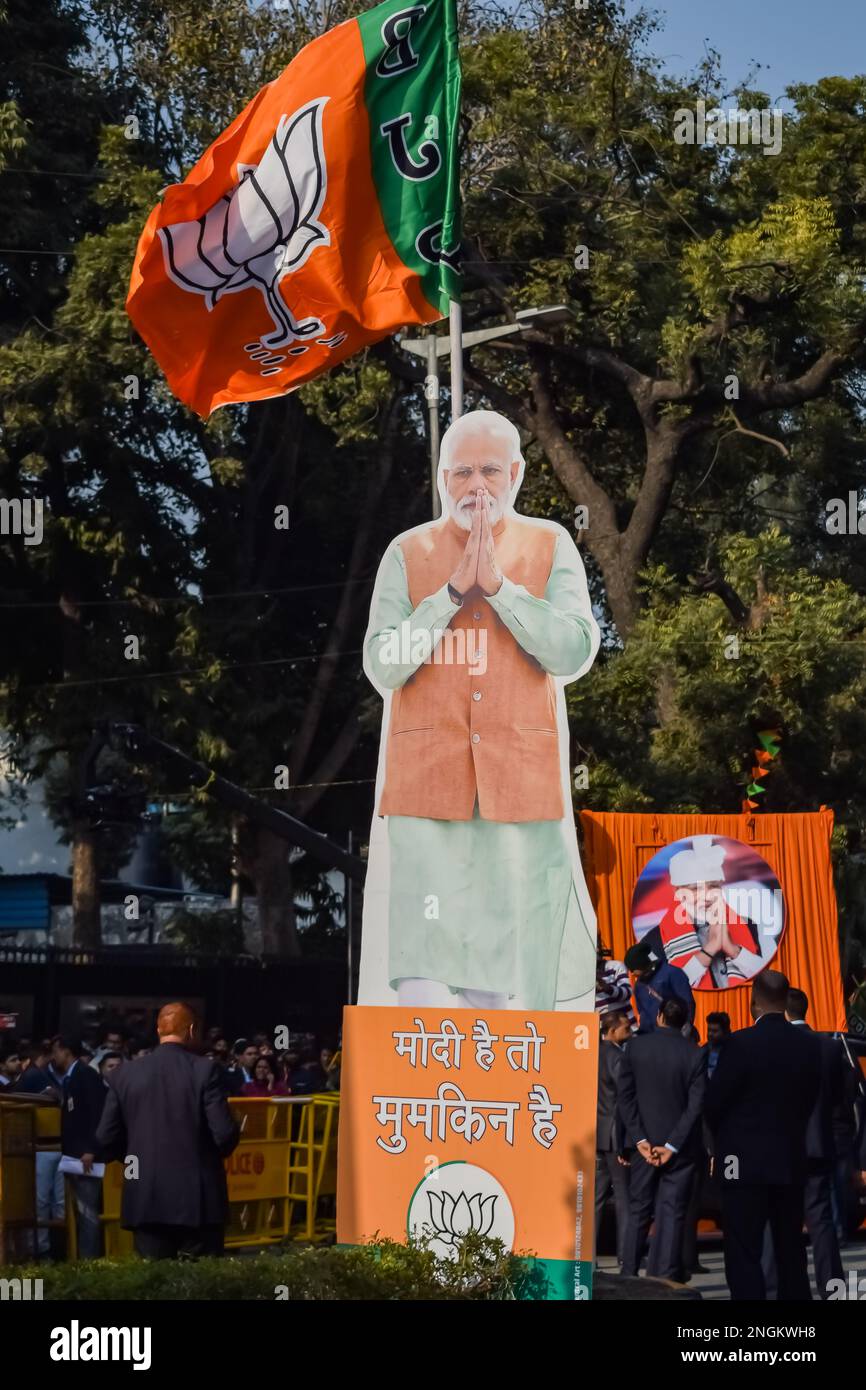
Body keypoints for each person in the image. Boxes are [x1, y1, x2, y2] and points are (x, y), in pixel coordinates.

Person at [360, 408, 600, 1011]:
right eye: (461, 472)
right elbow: (382, 663)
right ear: (441, 478)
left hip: (520, 784)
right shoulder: (407, 552)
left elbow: (574, 649)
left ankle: (509, 1084)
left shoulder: (549, 545)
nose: (476, 486)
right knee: (421, 958)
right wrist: (445, 598)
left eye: (489, 470)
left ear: (516, 473)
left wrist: (502, 591)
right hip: (425, 786)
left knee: (508, 970)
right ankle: (425, 1084)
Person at [704, 969, 822, 1301]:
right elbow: (810, 1098)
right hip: (789, 1158)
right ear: (786, 999)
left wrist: (724, 1144)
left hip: (740, 1162)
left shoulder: (739, 1044)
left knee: (743, 1248)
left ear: (753, 999)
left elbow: (714, 1103)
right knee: (790, 1248)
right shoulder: (810, 1046)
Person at [95, 1001, 240, 1259]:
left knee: (154, 1284)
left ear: (158, 1029)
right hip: (198, 1201)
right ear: (192, 1029)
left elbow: (105, 1137)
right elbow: (224, 1135)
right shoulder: (205, 1070)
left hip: (144, 1197)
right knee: (199, 1286)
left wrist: (135, 1157)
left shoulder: (124, 1074)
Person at [617, 997, 706, 1281]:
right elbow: (696, 1105)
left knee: (638, 1210)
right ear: (685, 1022)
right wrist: (671, 1145)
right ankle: (664, 1280)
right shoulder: (694, 1054)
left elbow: (625, 1097)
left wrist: (640, 1138)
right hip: (679, 1149)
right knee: (672, 1212)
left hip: (642, 1145)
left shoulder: (636, 1047)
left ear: (658, 1017)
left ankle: (628, 1275)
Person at [784, 987, 845, 1298]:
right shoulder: (829, 1048)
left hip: (783, 1150)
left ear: (784, 1011)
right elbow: (841, 1104)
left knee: (787, 1222)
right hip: (819, 1145)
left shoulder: (775, 1047)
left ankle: (794, 1288)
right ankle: (832, 1287)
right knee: (821, 1222)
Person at [660, 836, 769, 989]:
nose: (706, 896)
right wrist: (710, 949)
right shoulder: (658, 935)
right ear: (677, 891)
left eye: (713, 886)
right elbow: (669, 988)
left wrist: (734, 951)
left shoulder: (747, 923)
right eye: (694, 889)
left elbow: (764, 980)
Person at [51, 1035, 108, 1258]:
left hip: (86, 1156)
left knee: (88, 1213)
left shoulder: (85, 1075)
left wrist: (91, 1149)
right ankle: (80, 1258)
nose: (54, 1056)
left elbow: (98, 1114)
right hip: (73, 1156)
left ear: (66, 1051)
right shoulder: (72, 1077)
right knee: (80, 1212)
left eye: (56, 1051)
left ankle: (89, 1263)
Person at [594, 1009, 632, 1267]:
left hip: (594, 1133)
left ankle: (589, 1257)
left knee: (594, 1200)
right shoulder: (617, 1057)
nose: (629, 1030)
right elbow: (625, 1098)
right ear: (611, 1031)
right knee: (623, 1199)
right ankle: (625, 1255)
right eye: (625, 1027)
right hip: (614, 1135)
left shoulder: (589, 1053)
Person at [623, 940, 694, 1034]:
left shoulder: (673, 973)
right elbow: (642, 1012)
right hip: (650, 1037)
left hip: (673, 1035)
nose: (631, 973)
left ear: (642, 965)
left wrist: (686, 1028)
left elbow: (687, 1003)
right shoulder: (639, 985)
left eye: (633, 969)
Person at [595, 945, 637, 1031]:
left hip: (628, 1028)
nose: (597, 949)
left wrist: (607, 988)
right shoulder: (578, 975)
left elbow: (628, 993)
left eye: (597, 944)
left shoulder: (615, 966)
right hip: (603, 1034)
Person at [703, 1012, 731, 1079]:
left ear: (725, 1032)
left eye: (714, 1031)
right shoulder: (702, 1051)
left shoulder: (733, 1052)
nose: (710, 1034)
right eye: (709, 1030)